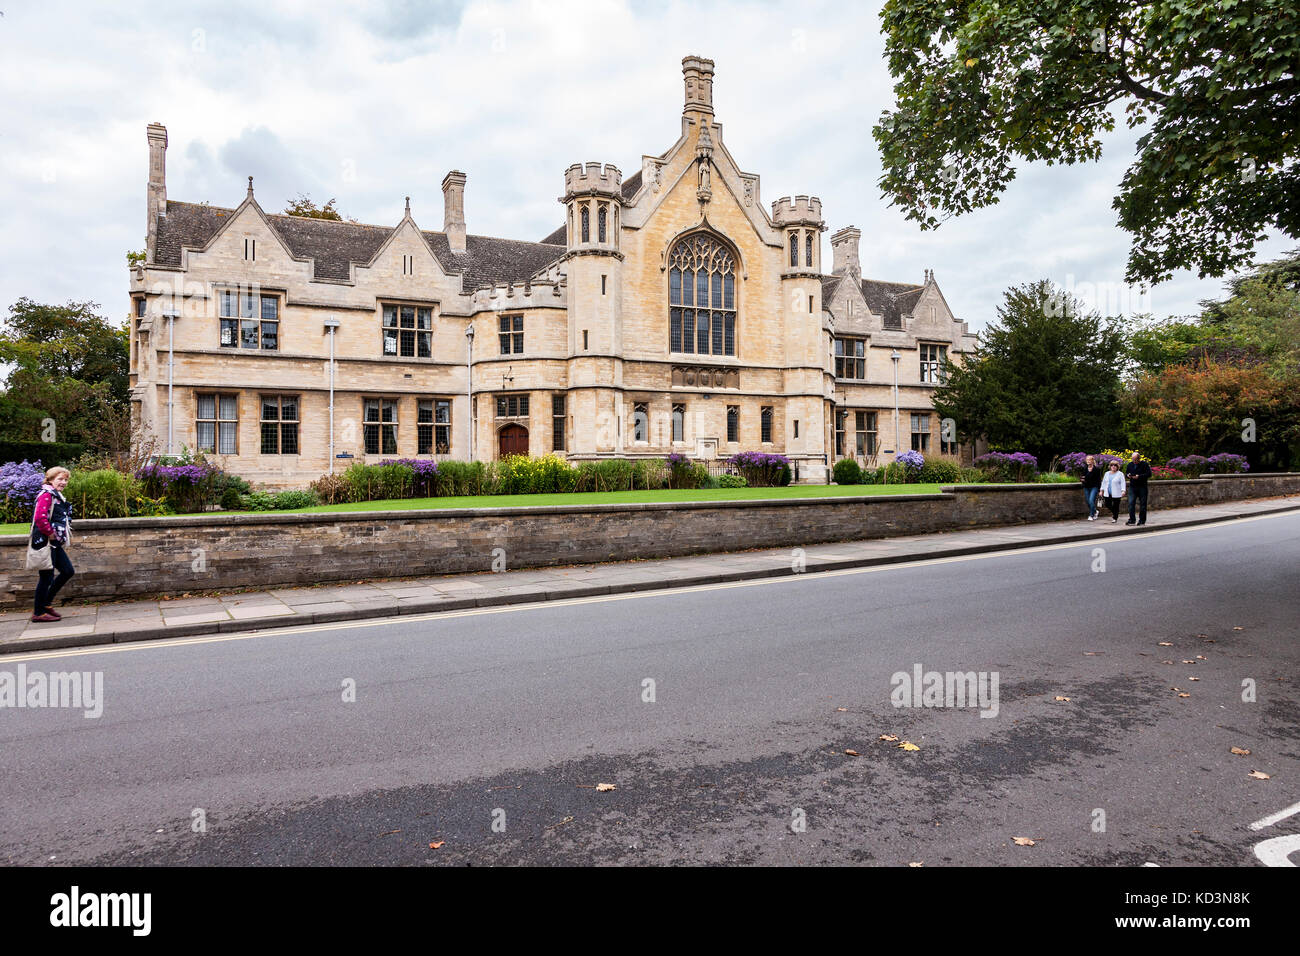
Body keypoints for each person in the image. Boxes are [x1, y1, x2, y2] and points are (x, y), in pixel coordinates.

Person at [30, 466, 75, 623]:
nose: (63, 482)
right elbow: (40, 518)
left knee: (68, 571)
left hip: (54, 543)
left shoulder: (57, 496)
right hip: (46, 542)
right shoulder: (47, 495)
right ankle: (38, 612)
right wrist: (50, 535)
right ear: (50, 480)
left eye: (65, 479)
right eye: (60, 479)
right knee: (46, 577)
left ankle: (46, 604)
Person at [1125, 452, 1152, 526]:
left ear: (1138, 458)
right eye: (1132, 458)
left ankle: (1142, 521)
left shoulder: (1144, 464)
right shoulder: (1130, 464)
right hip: (1133, 487)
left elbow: (1149, 474)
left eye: (1135, 459)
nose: (1133, 460)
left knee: (1143, 505)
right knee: (1131, 504)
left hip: (1142, 487)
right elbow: (1126, 473)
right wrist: (1128, 475)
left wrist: (1139, 476)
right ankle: (1132, 520)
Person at [1080, 454, 1103, 520]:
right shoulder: (1084, 469)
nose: (1088, 461)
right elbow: (1082, 477)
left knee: (1091, 500)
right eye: (1087, 460)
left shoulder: (1096, 469)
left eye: (1089, 460)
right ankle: (1095, 511)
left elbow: (1098, 480)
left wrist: (1100, 490)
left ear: (1092, 461)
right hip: (1086, 487)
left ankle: (1091, 515)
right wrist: (1083, 479)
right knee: (1088, 502)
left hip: (1094, 487)